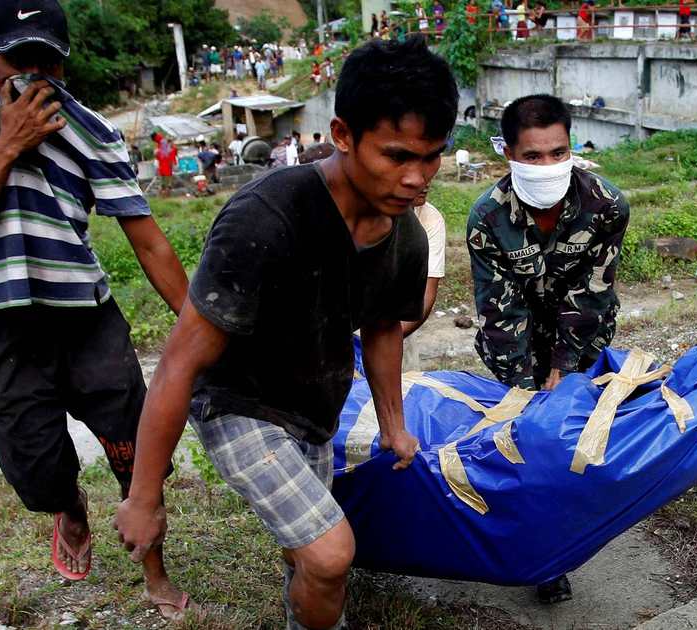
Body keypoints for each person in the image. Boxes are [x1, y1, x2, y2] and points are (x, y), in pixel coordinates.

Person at [114, 36, 458, 630]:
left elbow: (382, 329)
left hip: (313, 409)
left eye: (431, 158)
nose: (416, 178)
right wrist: (145, 496)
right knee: (331, 555)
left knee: (303, 551)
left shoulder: (406, 235)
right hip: (238, 402)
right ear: (344, 134)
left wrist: (395, 427)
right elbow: (178, 363)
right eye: (398, 155)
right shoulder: (267, 215)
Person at [0, 0, 191, 619]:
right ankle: (69, 508)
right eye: (15, 59)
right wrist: (6, 145)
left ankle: (155, 570)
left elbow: (150, 238)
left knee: (135, 453)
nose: (31, 77)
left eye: (45, 61)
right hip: (2, 324)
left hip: (88, 320)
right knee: (35, 472)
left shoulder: (91, 129)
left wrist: (198, 327)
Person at [467, 94, 629, 604]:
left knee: (570, 446)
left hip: (580, 340)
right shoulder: (487, 217)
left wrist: (564, 367)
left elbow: (594, 293)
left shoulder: (606, 204)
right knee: (523, 445)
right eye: (532, 156)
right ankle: (529, 550)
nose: (548, 165)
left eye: (558, 152)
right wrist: (523, 389)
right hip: (513, 347)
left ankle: (561, 547)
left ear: (572, 147)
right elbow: (500, 311)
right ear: (508, 153)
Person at [401, 186, 446, 369]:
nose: (424, 182)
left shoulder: (429, 219)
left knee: (403, 388)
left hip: (398, 325)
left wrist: (387, 340)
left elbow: (427, 293)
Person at [152, 131, 178, 197]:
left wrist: (157, 154)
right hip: (166, 164)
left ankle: (165, 193)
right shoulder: (162, 141)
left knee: (165, 180)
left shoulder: (161, 142)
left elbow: (160, 154)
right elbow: (173, 151)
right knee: (167, 180)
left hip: (165, 163)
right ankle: (166, 193)